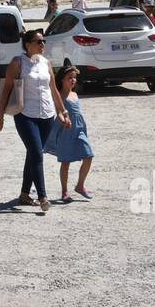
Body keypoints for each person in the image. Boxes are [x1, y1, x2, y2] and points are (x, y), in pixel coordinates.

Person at [0, 29, 71, 214]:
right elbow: (6, 90)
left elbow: (53, 90)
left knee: (33, 154)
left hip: (47, 115)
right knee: (37, 153)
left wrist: (62, 112)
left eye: (43, 41)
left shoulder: (46, 63)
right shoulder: (17, 63)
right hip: (25, 115)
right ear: (28, 44)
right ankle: (43, 196)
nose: (43, 44)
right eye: (39, 41)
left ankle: (24, 193)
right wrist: (0, 115)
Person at [45, 62, 94, 203]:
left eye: (74, 77)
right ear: (62, 80)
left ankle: (80, 185)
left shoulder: (75, 94)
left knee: (89, 155)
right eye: (69, 77)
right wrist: (63, 120)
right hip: (65, 131)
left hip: (79, 130)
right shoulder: (59, 95)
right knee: (66, 162)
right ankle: (64, 191)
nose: (73, 80)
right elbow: (58, 112)